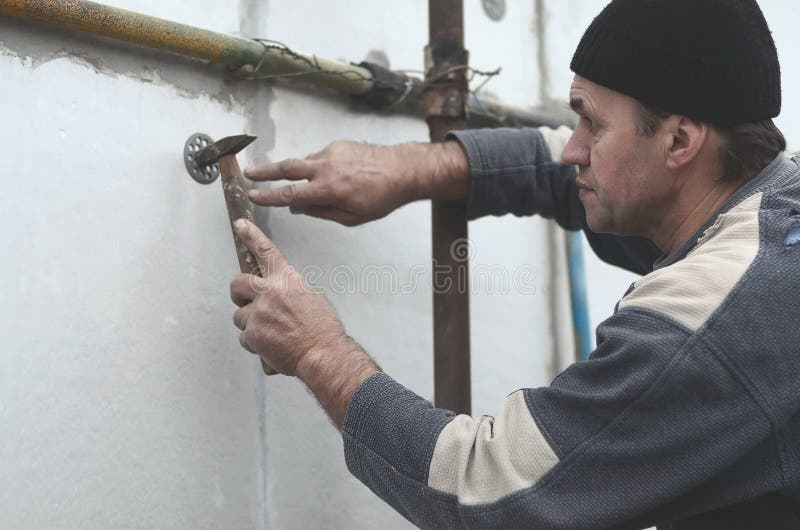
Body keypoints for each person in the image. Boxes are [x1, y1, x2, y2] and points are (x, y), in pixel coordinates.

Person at [228, 0, 800, 527]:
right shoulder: (767, 197)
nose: (574, 147)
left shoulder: (727, 307)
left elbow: (495, 490)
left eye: (592, 123)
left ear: (679, 142)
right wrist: (411, 168)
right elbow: (560, 165)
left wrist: (317, 351)